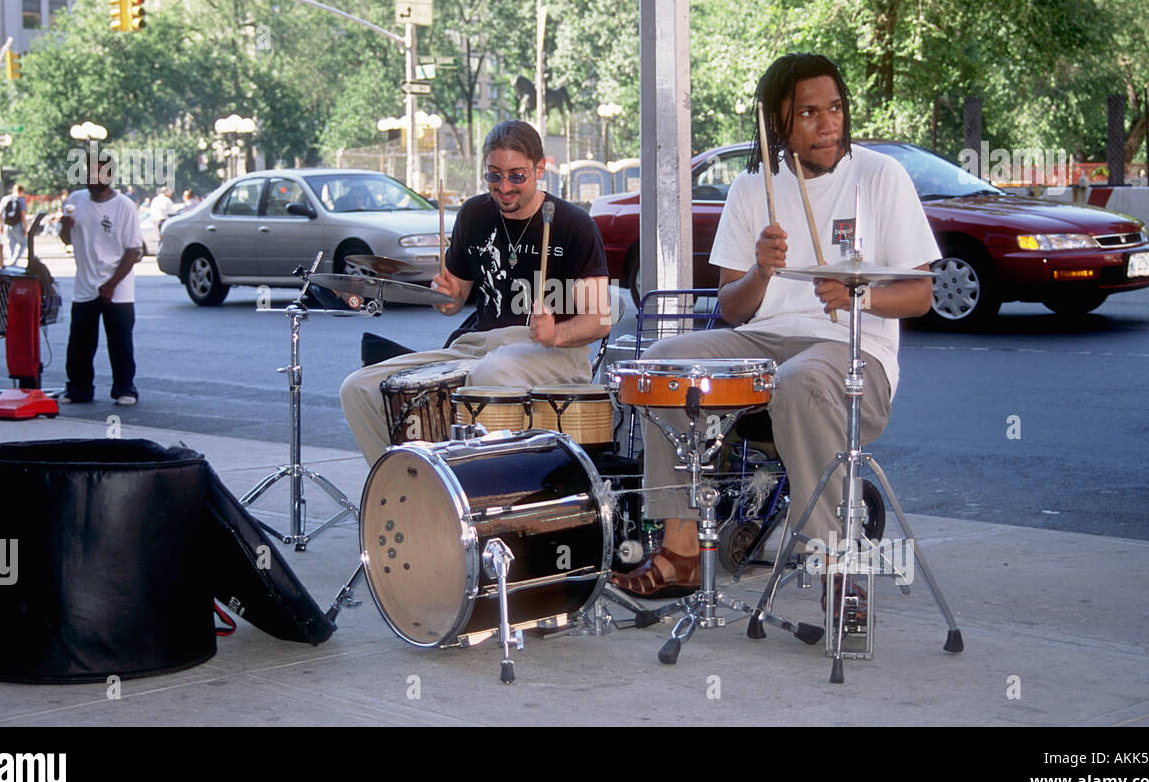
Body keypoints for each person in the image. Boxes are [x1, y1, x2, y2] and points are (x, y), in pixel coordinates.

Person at [611, 53, 940, 607]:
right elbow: (733, 310)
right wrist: (762, 270)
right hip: (764, 339)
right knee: (662, 361)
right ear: (776, 123)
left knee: (799, 381)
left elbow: (922, 294)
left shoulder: (880, 177)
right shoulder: (751, 188)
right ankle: (683, 548)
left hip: (851, 347)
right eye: (809, 112)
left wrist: (861, 296)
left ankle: (835, 562)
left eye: (835, 108)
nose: (828, 122)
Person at [340, 119, 612, 464]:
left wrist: (556, 332)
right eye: (494, 175)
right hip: (475, 347)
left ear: (540, 168)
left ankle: (478, 494)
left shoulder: (573, 224)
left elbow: (599, 322)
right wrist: (448, 296)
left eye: (517, 175)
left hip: (550, 353)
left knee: (488, 376)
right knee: (359, 388)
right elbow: (455, 300)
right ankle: (408, 487)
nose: (504, 186)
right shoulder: (474, 213)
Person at [59, 158, 144, 406]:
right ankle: (78, 388)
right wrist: (65, 227)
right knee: (80, 342)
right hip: (85, 282)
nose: (92, 179)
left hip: (118, 286)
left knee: (120, 341)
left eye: (98, 174)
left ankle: (124, 388)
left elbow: (134, 251)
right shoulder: (75, 200)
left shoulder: (124, 206)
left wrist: (111, 284)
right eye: (89, 173)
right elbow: (67, 239)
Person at [0, 184, 27, 265]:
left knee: (11, 243)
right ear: (22, 191)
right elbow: (23, 215)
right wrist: (25, 228)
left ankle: (10, 260)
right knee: (24, 243)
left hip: (7, 224)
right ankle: (14, 259)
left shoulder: (5, 199)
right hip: (17, 225)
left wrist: (1, 225)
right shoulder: (21, 200)